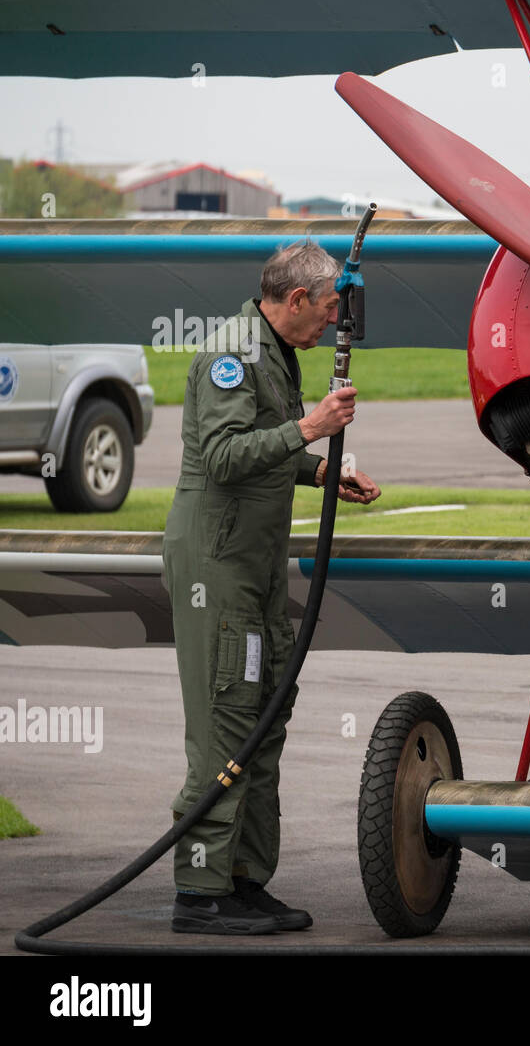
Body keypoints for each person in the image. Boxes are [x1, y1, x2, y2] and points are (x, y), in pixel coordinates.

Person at [162, 240, 380, 934]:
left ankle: (243, 877)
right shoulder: (232, 356)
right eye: (325, 312)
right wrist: (311, 426)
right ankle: (200, 891)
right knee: (228, 720)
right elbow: (224, 457)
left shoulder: (275, 353)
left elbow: (267, 447)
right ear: (294, 301)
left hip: (254, 567)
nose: (330, 325)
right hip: (218, 569)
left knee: (264, 712)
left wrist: (320, 470)